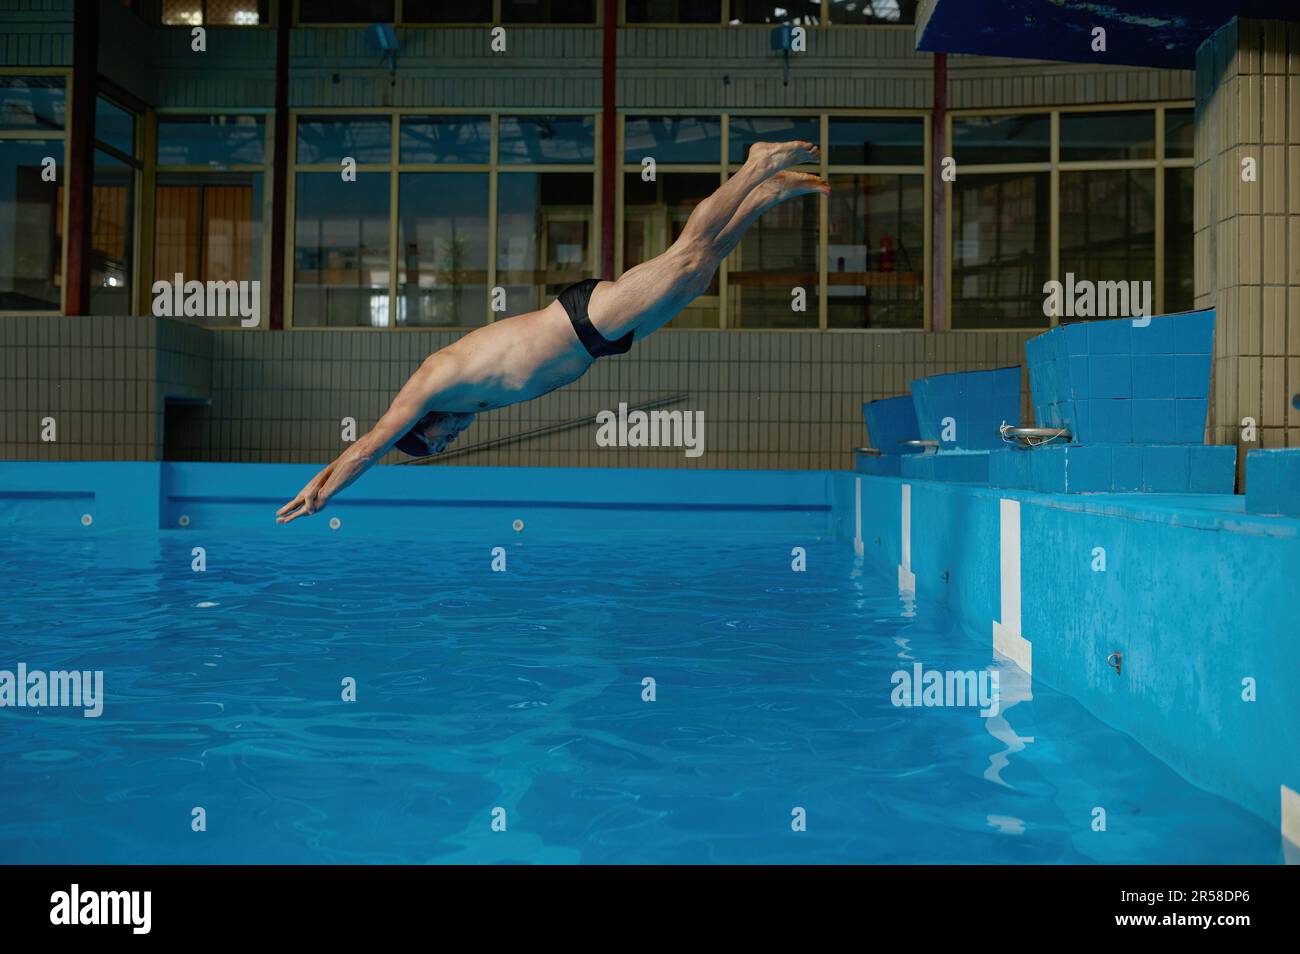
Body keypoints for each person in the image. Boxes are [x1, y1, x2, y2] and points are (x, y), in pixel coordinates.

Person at [277, 140, 826, 524]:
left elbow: (372, 446)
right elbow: (371, 444)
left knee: (685, 258)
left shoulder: (432, 383)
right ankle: (765, 196)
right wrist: (326, 471)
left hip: (583, 318)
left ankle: (756, 167)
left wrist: (320, 490)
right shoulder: (464, 401)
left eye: (442, 439)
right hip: (601, 343)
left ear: (425, 424)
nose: (454, 438)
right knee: (700, 275)